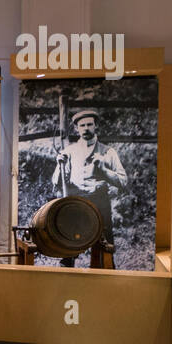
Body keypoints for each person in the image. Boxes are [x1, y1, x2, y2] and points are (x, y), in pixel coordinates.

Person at [51, 108, 127, 265]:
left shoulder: (108, 152)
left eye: (89, 124)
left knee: (105, 246)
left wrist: (104, 170)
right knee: (69, 243)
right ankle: (67, 276)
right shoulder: (69, 152)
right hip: (76, 203)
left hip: (100, 202)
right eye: (82, 125)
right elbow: (56, 183)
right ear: (76, 128)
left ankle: (105, 275)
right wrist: (60, 165)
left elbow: (123, 182)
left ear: (96, 126)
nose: (86, 128)